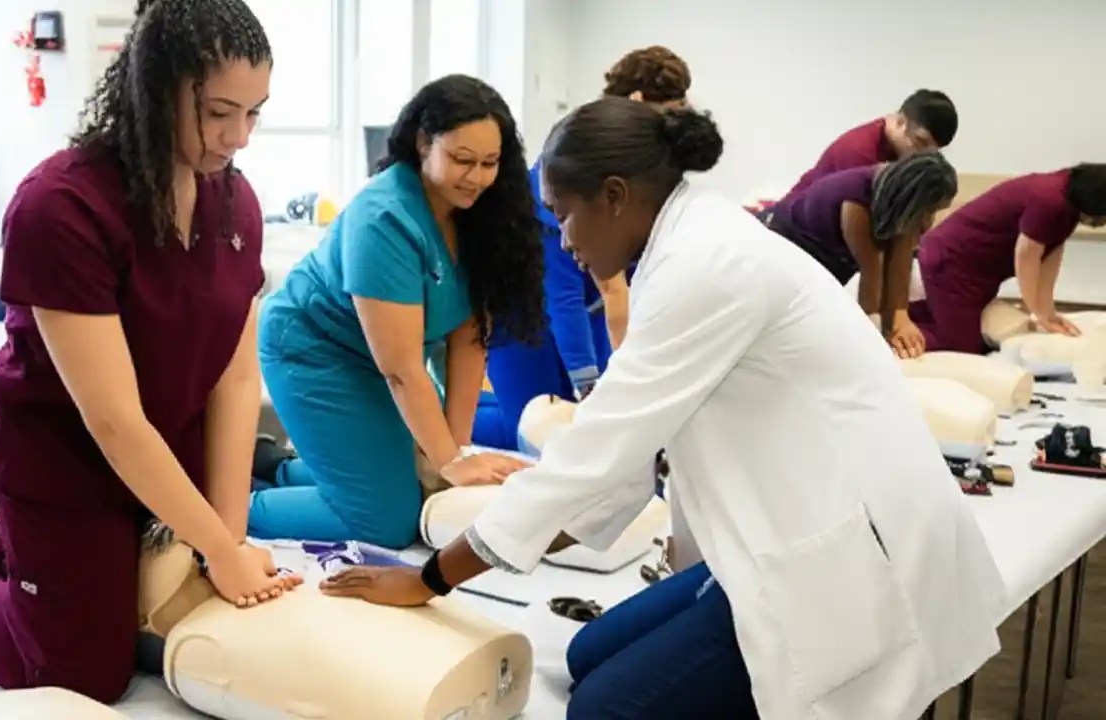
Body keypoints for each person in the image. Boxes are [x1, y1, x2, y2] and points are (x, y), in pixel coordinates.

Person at [320, 97, 1005, 720]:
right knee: (588, 658)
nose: (562, 237)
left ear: (614, 197)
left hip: (857, 558)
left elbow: (592, 460)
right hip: (808, 528)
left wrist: (433, 577)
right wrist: (520, 533)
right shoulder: (687, 243)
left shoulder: (704, 266)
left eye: (563, 213)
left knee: (603, 710)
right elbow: (616, 468)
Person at [0, 0, 302, 704]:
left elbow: (234, 382)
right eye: (217, 112)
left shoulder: (236, 203)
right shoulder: (62, 205)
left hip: (162, 447)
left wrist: (222, 542)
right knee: (76, 674)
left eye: (255, 113)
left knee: (181, 611)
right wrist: (221, 551)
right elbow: (110, 419)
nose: (238, 138)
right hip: (63, 455)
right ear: (154, 87)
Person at [251, 74, 543, 549]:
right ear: (423, 143)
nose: (477, 177)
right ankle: (220, 509)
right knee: (385, 521)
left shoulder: (481, 214)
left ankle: (273, 466)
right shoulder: (383, 217)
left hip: (382, 360)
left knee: (418, 481)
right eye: (462, 160)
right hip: (315, 350)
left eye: (490, 163)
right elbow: (403, 369)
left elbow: (469, 341)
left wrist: (454, 455)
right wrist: (449, 461)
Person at [474, 46, 691, 451]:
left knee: (579, 429)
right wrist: (589, 384)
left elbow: (620, 279)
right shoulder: (578, 154)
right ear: (638, 103)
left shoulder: (634, 165)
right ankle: (423, 421)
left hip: (583, 308)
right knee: (531, 434)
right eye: (667, 115)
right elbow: (564, 293)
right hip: (525, 314)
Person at [764, 153, 958, 358]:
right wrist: (875, 338)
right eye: (928, 211)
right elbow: (872, 274)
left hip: (833, 257)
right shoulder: (857, 202)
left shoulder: (901, 201)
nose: (929, 222)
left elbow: (901, 260)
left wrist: (900, 317)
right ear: (910, 200)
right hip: (790, 244)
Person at [911, 164, 1106, 353]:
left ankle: (905, 318)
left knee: (970, 333)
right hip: (953, 262)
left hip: (974, 270)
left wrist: (1048, 313)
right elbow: (1026, 257)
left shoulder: (1067, 203)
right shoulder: (1050, 201)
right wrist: (1036, 313)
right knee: (960, 346)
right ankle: (894, 336)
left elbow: (1050, 255)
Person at [782, 89, 957, 202]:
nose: (923, 156)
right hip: (799, 231)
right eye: (920, 142)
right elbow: (854, 222)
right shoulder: (860, 152)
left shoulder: (901, 153)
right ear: (900, 122)